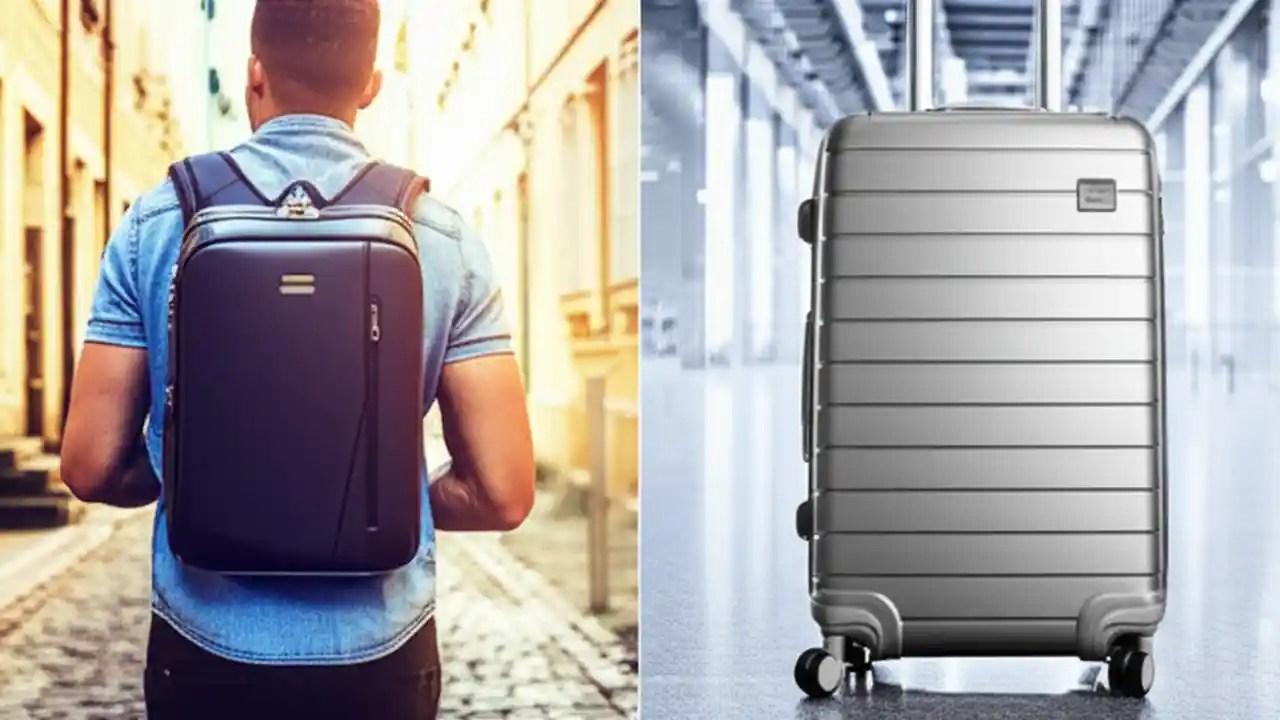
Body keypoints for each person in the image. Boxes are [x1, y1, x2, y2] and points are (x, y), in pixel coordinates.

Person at [59, 0, 536, 717]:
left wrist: (202, 489)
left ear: (255, 73)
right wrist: (373, 503)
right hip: (380, 655)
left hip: (204, 649)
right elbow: (503, 492)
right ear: (370, 83)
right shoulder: (444, 238)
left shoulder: (155, 224)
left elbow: (90, 465)